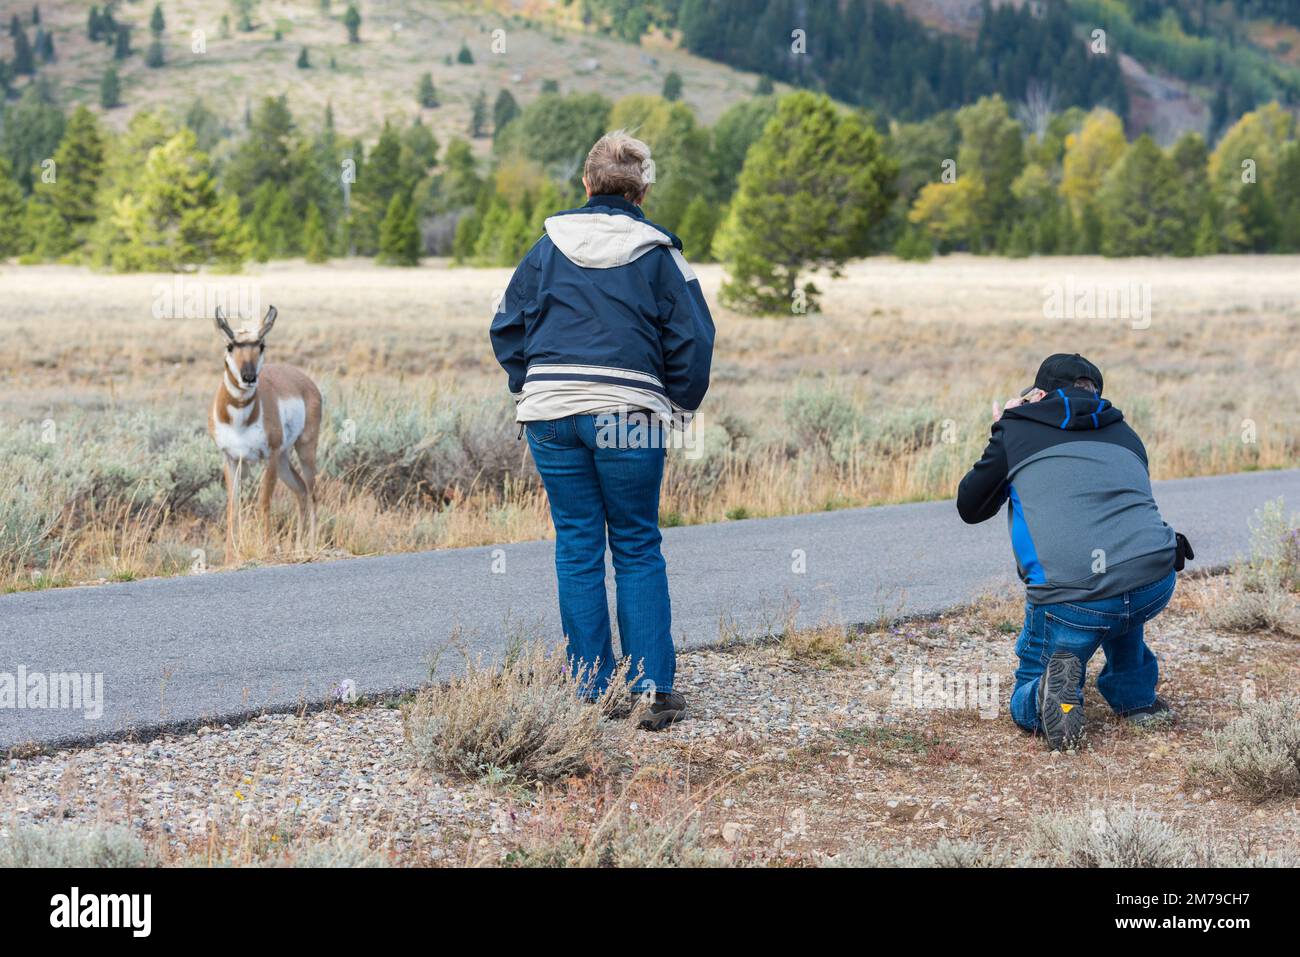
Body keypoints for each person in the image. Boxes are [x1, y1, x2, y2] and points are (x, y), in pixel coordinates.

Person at [489, 131, 715, 730]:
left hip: (552, 413)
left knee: (578, 544)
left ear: (586, 184)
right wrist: (677, 405)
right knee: (637, 543)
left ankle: (591, 688)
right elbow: (694, 340)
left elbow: (506, 327)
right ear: (642, 191)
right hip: (630, 416)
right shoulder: (661, 255)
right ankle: (650, 692)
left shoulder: (545, 248)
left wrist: (531, 386)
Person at [956, 354, 1191, 751]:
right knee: (1120, 562)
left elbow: (971, 507)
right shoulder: (1125, 431)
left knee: (1030, 685)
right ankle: (1136, 699)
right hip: (1154, 578)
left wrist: (1002, 428)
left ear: (1039, 393)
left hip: (1074, 600)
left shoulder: (1016, 429)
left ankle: (1045, 691)